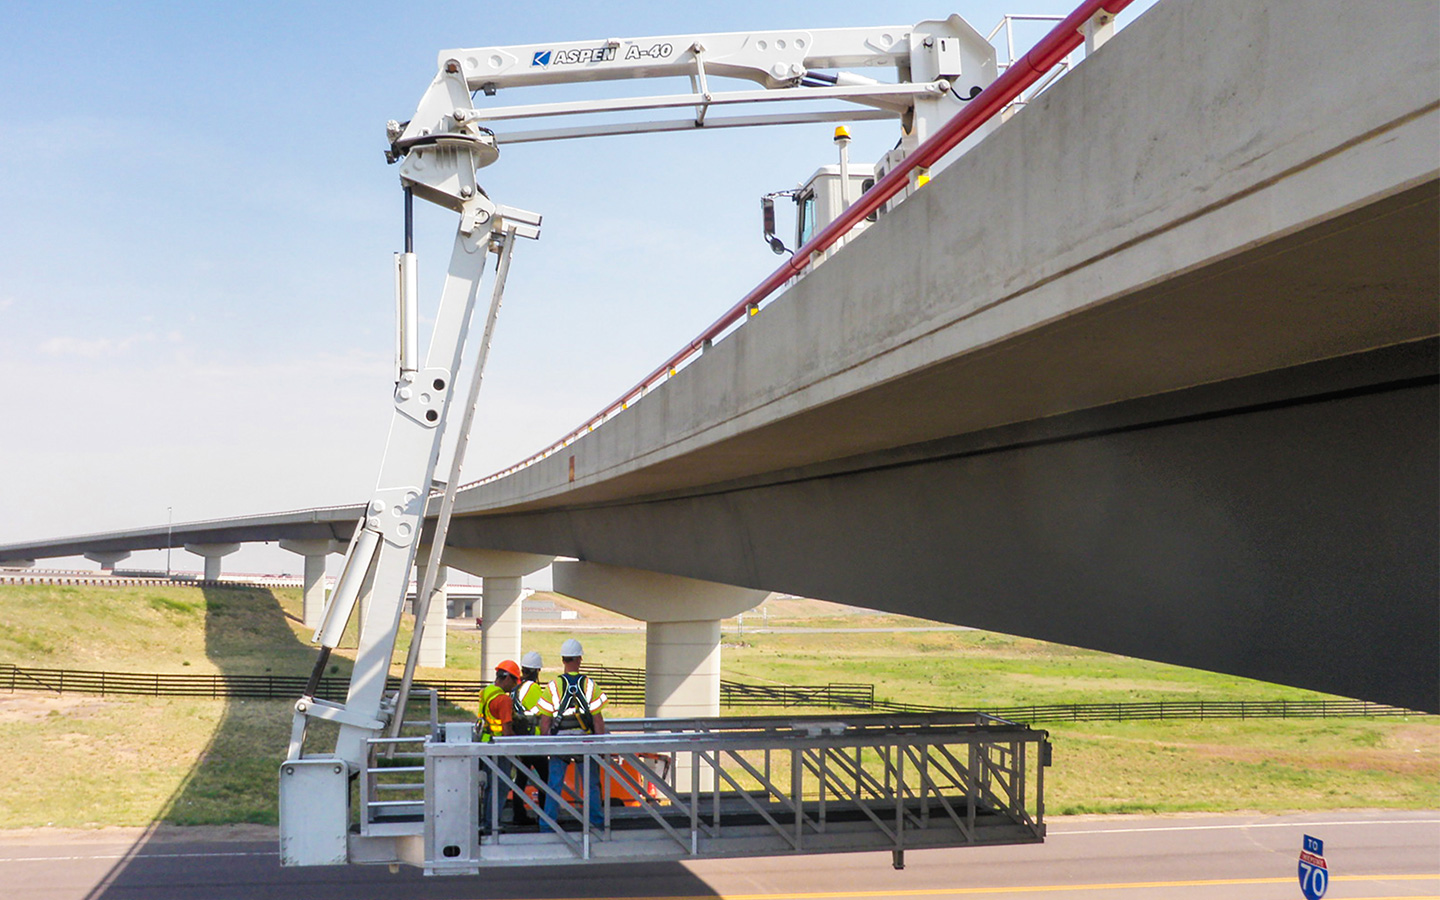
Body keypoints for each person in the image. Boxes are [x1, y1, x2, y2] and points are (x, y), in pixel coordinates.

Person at [536, 638, 608, 829]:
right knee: (591, 785)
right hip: (586, 742)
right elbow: (598, 720)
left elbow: (545, 721)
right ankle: (596, 822)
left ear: (563, 660)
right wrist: (600, 745)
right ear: (579, 659)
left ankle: (547, 824)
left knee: (554, 784)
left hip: (561, 743)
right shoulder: (590, 685)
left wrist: (546, 744)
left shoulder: (552, 687)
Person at [507, 650, 549, 827]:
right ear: (537, 671)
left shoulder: (515, 689)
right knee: (545, 780)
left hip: (519, 740)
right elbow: (544, 713)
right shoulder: (534, 689)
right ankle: (544, 816)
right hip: (534, 742)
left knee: (520, 780)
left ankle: (519, 815)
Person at [478, 659, 520, 830]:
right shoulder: (504, 700)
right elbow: (506, 729)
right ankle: (492, 823)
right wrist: (515, 747)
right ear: (507, 678)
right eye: (515, 680)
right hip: (498, 747)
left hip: (485, 744)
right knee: (500, 785)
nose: (515, 685)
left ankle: (486, 821)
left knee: (489, 786)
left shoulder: (487, 692)